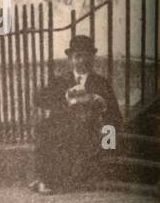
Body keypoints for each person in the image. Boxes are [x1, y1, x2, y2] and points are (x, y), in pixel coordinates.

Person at [29, 35, 121, 194]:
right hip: (63, 128)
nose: (83, 60)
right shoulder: (60, 81)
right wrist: (65, 96)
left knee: (99, 136)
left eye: (87, 55)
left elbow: (115, 116)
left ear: (93, 58)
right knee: (45, 129)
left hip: (90, 130)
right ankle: (44, 179)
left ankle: (55, 180)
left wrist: (103, 105)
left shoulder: (101, 83)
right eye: (78, 56)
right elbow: (38, 100)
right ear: (70, 59)